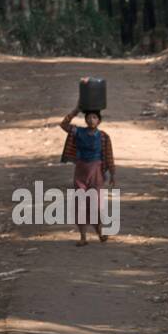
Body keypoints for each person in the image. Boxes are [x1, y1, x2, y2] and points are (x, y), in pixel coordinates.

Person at [59, 85, 116, 246]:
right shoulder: (78, 132)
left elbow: (109, 156)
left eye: (94, 118)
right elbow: (64, 124)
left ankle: (100, 233)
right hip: (81, 172)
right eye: (89, 117)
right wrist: (76, 109)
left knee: (96, 205)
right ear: (85, 120)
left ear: (99, 121)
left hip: (96, 173)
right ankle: (83, 237)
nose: (91, 120)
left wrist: (112, 173)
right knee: (81, 204)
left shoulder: (104, 137)